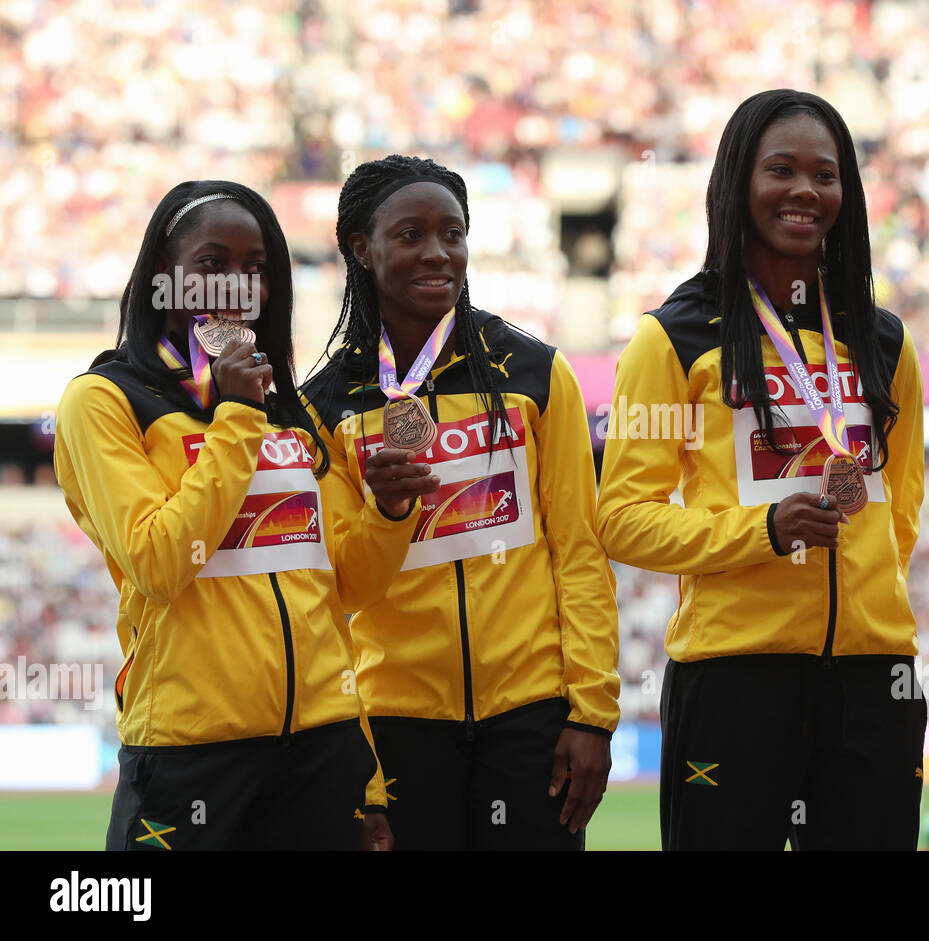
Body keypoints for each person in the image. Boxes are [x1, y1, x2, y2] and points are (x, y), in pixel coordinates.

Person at [596, 89, 927, 850]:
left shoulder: (884, 341)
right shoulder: (672, 337)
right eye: (781, 169)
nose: (805, 191)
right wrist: (763, 532)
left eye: (826, 174)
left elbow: (900, 508)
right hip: (733, 678)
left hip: (875, 678)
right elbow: (622, 517)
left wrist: (865, 595)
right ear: (738, 181)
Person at [53, 180, 414, 850]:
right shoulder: (104, 402)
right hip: (191, 748)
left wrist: (390, 513)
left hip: (323, 745)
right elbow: (161, 561)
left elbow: (348, 588)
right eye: (212, 263)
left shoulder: (292, 410)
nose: (237, 285)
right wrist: (236, 416)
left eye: (256, 268)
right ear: (164, 275)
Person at [299, 155, 619, 850]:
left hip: (533, 716)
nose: (437, 252)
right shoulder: (321, 408)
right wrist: (384, 512)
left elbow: (578, 551)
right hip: (394, 722)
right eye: (410, 234)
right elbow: (333, 595)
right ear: (362, 247)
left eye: (453, 233)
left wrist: (592, 713)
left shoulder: (537, 374)